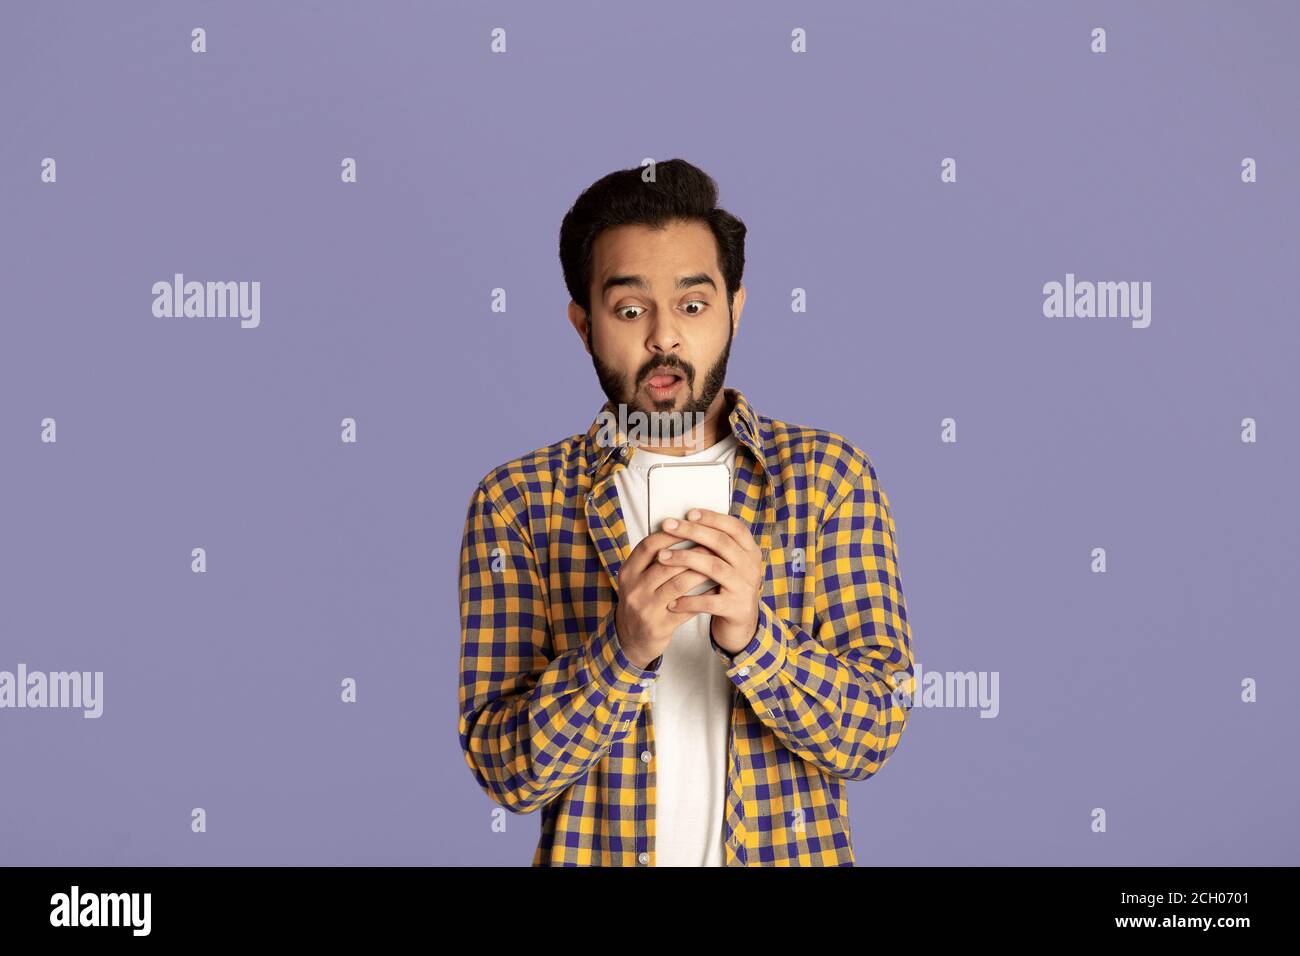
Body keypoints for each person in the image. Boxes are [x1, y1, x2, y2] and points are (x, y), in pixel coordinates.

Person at [457, 158, 915, 866]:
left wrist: (755, 638)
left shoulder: (827, 479)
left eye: (693, 306)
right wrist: (621, 651)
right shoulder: (519, 500)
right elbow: (508, 771)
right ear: (584, 325)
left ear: (735, 309)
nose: (664, 337)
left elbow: (871, 734)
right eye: (630, 310)